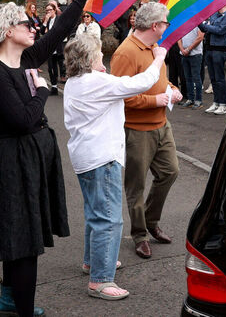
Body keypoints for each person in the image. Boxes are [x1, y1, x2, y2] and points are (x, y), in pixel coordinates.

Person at [0, 0, 98, 316]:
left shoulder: (25, 59)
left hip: (31, 157)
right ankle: (21, 310)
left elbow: (59, 30)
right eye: (25, 23)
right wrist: (42, 90)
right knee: (23, 242)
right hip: (11, 161)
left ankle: (10, 301)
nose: (33, 27)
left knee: (21, 237)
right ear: (6, 30)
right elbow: (23, 120)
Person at [64, 34, 166, 300]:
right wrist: (159, 59)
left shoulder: (76, 81)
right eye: (99, 53)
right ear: (89, 59)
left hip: (86, 156)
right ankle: (100, 280)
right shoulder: (95, 81)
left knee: (94, 212)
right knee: (108, 219)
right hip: (101, 157)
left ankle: (93, 262)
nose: (103, 57)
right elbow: (141, 82)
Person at [110, 2, 182, 259]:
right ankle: (140, 234)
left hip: (162, 124)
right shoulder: (125, 53)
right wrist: (155, 101)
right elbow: (120, 97)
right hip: (137, 130)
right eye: (166, 23)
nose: (167, 26)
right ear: (155, 26)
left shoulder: (154, 48)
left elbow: (158, 80)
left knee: (170, 172)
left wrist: (171, 88)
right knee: (136, 185)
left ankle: (150, 221)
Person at [198, 4, 226, 115]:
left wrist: (206, 25)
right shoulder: (214, 14)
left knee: (219, 78)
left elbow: (220, 30)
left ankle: (224, 104)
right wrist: (199, 22)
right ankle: (216, 102)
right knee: (213, 78)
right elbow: (205, 28)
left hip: (219, 50)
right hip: (209, 48)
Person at [178, 26, 204, 108]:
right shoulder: (184, 23)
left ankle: (198, 100)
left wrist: (188, 49)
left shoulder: (199, 23)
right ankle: (190, 99)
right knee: (188, 78)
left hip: (195, 54)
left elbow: (200, 37)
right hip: (184, 54)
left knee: (196, 78)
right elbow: (178, 37)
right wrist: (182, 50)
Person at [43, 3, 66, 95]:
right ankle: (54, 87)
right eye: (47, 10)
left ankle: (64, 83)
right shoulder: (47, 20)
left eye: (50, 10)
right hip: (50, 48)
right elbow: (41, 31)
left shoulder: (59, 19)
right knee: (51, 68)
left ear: (54, 10)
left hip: (59, 47)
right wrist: (45, 22)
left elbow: (62, 31)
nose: (48, 12)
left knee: (62, 65)